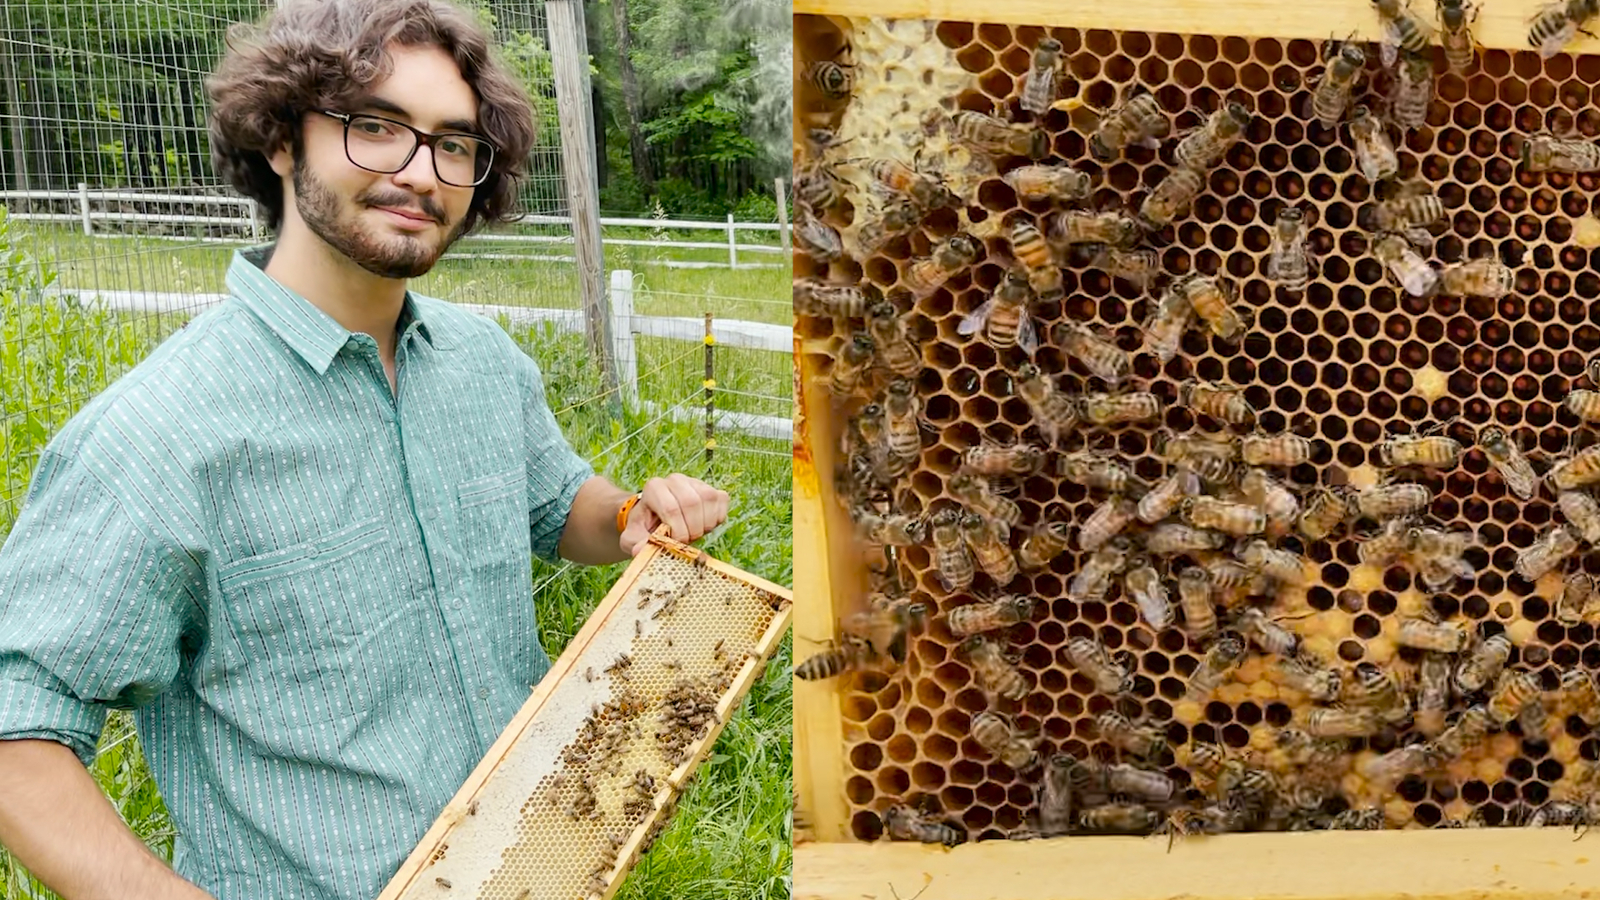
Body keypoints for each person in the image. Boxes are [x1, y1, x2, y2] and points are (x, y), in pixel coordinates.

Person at [0, 1, 729, 898]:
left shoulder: (483, 365)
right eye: (375, 127)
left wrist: (629, 514)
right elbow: (16, 728)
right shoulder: (158, 434)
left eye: (453, 143)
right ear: (280, 139)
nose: (420, 172)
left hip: (539, 864)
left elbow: (555, 505)